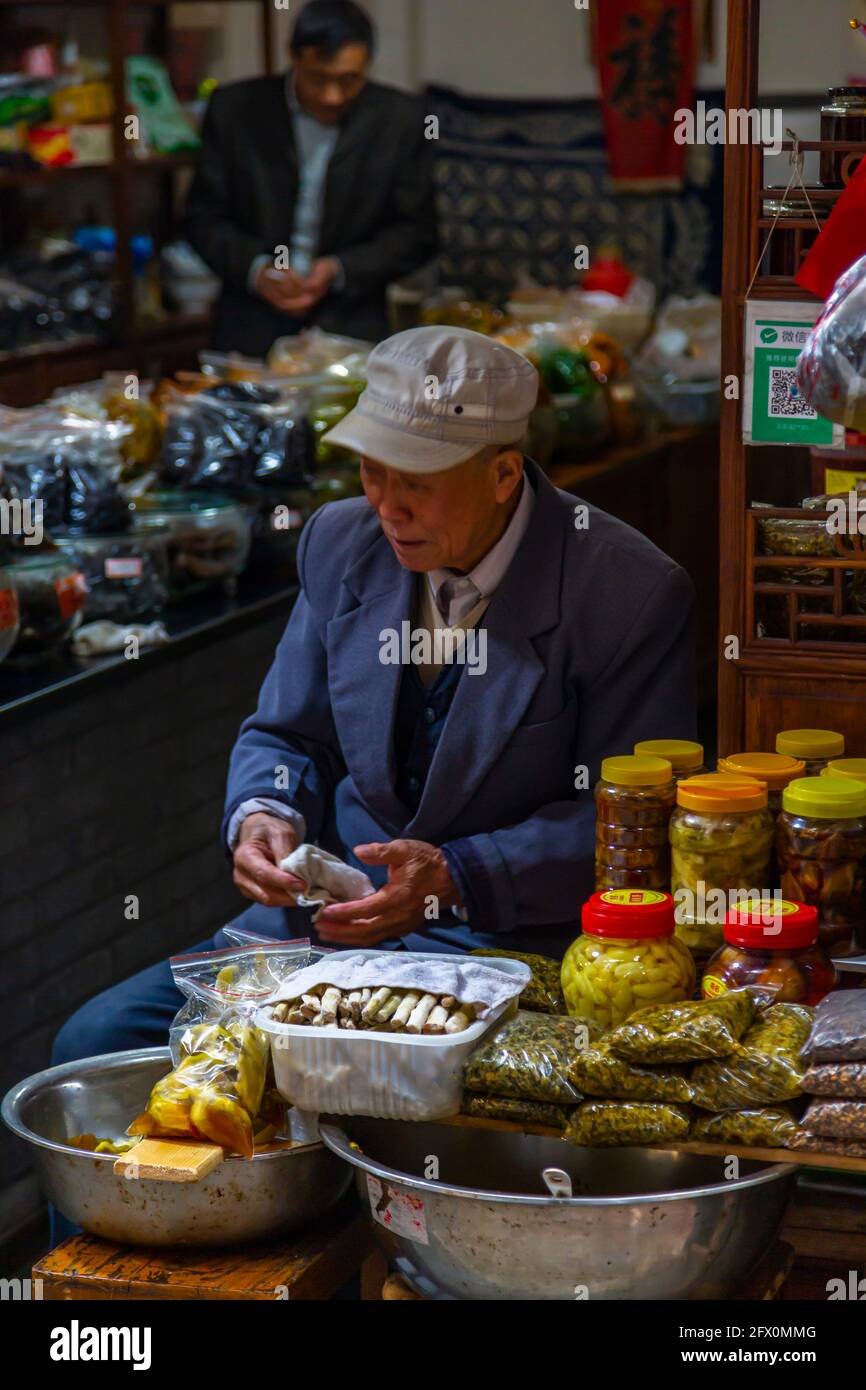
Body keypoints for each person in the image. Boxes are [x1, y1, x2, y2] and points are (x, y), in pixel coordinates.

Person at [54, 325, 696, 1064]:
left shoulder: (626, 591)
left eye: (417, 482)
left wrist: (459, 875)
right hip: (330, 926)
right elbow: (288, 734)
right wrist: (265, 811)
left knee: (392, 1097)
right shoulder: (341, 541)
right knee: (95, 1043)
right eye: (372, 472)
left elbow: (633, 829)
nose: (388, 506)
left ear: (504, 474)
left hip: (501, 941)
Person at [184, 0, 437, 356]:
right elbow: (202, 218)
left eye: (349, 81)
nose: (332, 96)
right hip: (249, 323)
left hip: (352, 324)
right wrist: (258, 270)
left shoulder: (402, 119)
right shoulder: (235, 109)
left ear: (368, 67)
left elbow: (418, 233)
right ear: (295, 58)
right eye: (318, 78)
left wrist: (338, 270)